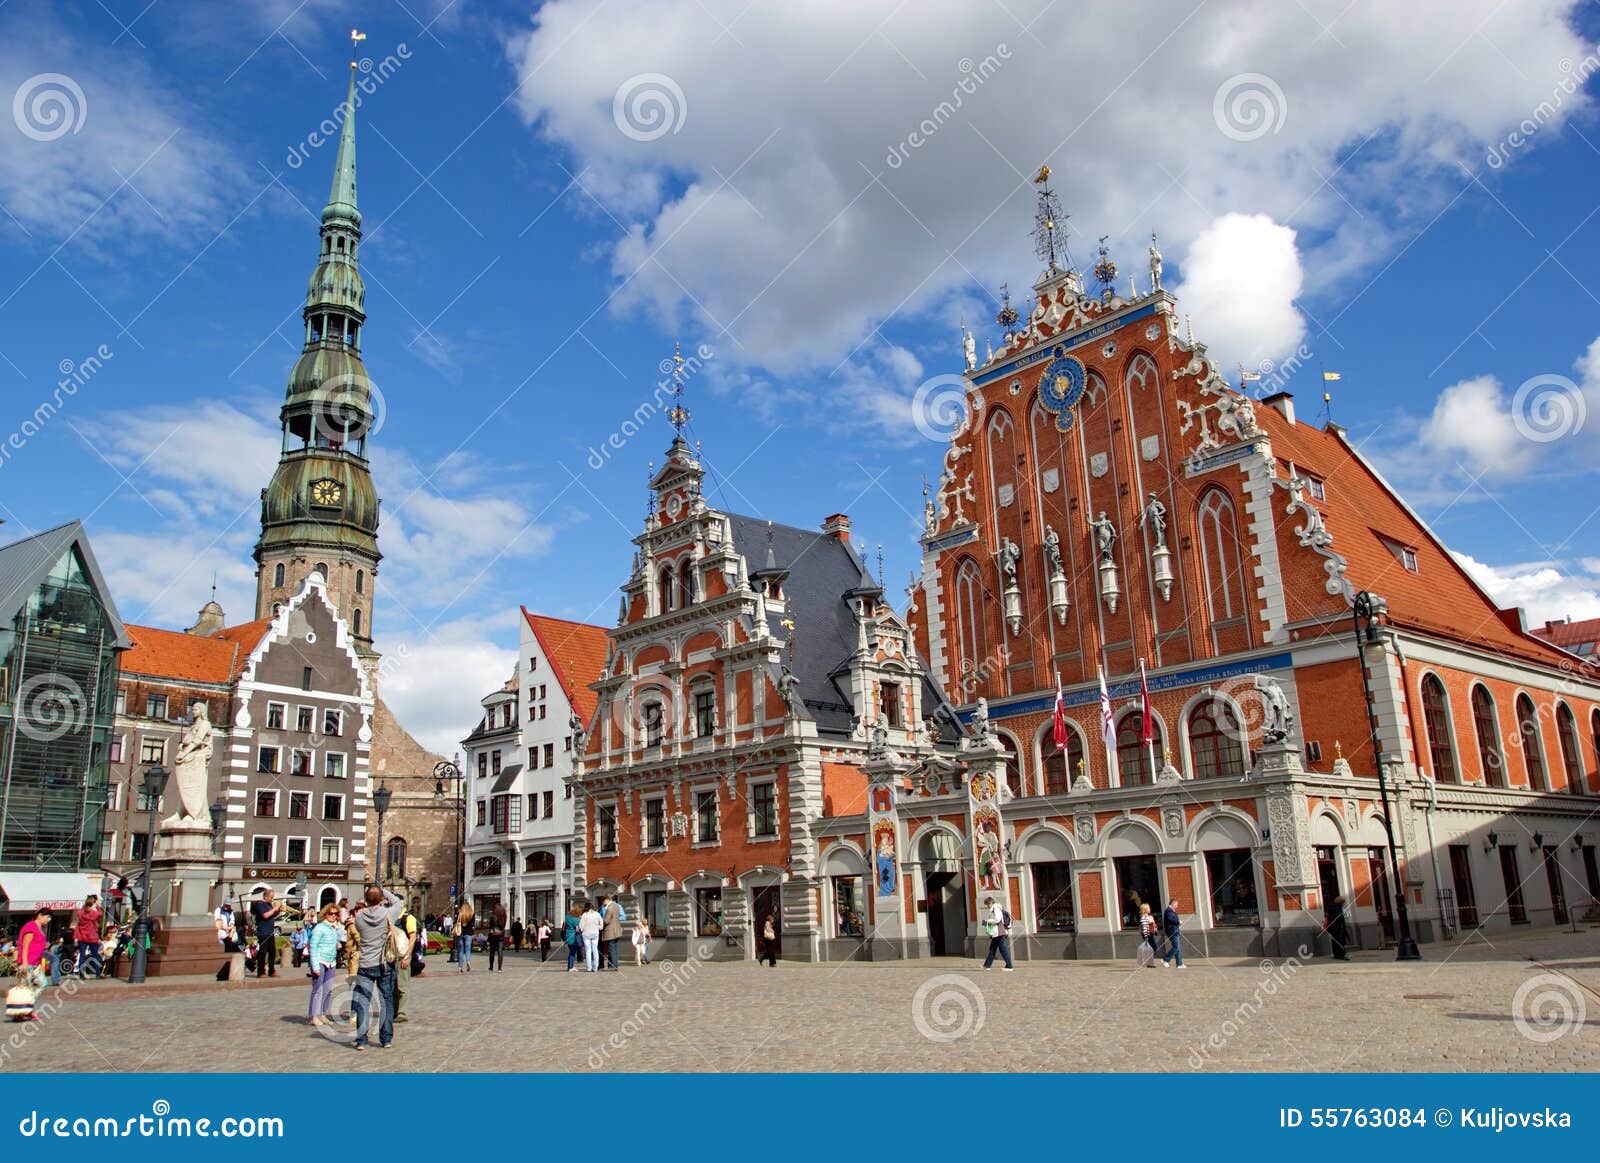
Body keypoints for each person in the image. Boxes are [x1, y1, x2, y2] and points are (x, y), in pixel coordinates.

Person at [351, 885, 403, 1050]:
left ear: (366, 900)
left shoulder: (359, 916)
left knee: (362, 1002)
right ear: (381, 899)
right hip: (384, 963)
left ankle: (361, 1040)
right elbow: (399, 903)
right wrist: (383, 891)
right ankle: (386, 1039)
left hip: (365, 964)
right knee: (386, 1001)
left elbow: (359, 929)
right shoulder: (388, 914)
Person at [307, 904, 345, 1026]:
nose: (333, 916)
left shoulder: (334, 928)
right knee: (317, 989)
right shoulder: (319, 928)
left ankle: (323, 1014)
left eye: (336, 914)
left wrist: (338, 944)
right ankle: (313, 1016)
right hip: (320, 960)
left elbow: (335, 940)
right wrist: (315, 966)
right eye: (331, 913)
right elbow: (313, 947)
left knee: (328, 989)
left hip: (331, 962)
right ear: (325, 914)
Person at [390, 900, 420, 1022]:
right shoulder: (392, 917)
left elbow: (412, 938)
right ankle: (394, 1011)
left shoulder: (408, 918)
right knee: (393, 986)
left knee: (402, 985)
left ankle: (402, 1013)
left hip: (403, 955)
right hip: (392, 955)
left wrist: (407, 957)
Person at [250, 889, 284, 978]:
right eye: (271, 897)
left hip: (270, 932)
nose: (272, 899)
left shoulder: (269, 904)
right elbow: (265, 915)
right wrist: (275, 908)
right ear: (265, 897)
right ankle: (261, 972)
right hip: (263, 932)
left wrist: (278, 910)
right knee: (263, 952)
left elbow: (272, 915)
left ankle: (271, 971)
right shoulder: (260, 904)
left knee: (272, 952)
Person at [16, 910, 50, 988]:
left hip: (36, 963)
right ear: (40, 915)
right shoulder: (31, 926)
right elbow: (25, 945)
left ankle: (32, 996)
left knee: (43, 983)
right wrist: (25, 963)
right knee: (24, 988)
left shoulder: (41, 928)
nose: (49, 920)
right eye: (47, 917)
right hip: (27, 962)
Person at [72, 896, 103, 979]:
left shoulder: (80, 913)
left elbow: (79, 912)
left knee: (82, 955)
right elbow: (100, 914)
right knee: (95, 955)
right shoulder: (94, 913)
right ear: (92, 904)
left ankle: (81, 974)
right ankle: (97, 973)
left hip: (82, 936)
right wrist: (98, 906)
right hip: (92, 937)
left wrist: (84, 906)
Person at [980, 896, 1013, 971]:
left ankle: (1009, 966)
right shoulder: (994, 909)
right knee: (993, 949)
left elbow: (997, 920)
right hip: (996, 933)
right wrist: (987, 922)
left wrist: (987, 921)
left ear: (991, 903)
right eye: (986, 904)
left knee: (1003, 949)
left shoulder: (996, 909)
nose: (987, 906)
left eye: (988, 904)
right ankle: (987, 965)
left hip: (999, 932)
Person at [599, 894, 623, 971]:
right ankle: (613, 965)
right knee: (614, 949)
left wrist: (599, 923)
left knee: (611, 949)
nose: (602, 902)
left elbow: (606, 921)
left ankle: (612, 966)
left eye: (603, 901)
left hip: (610, 931)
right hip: (616, 930)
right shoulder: (616, 906)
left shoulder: (609, 908)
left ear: (607, 899)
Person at [578, 900, 602, 973]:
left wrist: (582, 929)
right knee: (595, 950)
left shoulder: (584, 915)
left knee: (588, 950)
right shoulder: (597, 914)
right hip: (595, 933)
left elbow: (580, 926)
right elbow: (601, 926)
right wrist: (597, 928)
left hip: (586, 934)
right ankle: (595, 967)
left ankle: (589, 968)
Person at [1161, 898, 1185, 969]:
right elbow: (1170, 919)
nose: (1177, 906)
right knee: (1176, 947)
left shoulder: (1171, 911)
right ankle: (1166, 959)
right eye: (1176, 905)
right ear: (1173, 904)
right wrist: (1178, 922)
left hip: (1175, 931)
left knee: (1177, 948)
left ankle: (1179, 964)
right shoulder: (1168, 910)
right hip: (1172, 931)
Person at [1326, 894, 1351, 961]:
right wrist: (1342, 928)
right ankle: (1341, 954)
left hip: (1334, 928)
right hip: (1337, 928)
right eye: (1342, 903)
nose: (1343, 904)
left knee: (1335, 942)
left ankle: (1337, 954)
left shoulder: (1332, 907)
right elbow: (1339, 919)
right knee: (1340, 942)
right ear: (1340, 902)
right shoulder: (1336, 908)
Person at [455, 903, 475, 973]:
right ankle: (468, 961)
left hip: (461, 933)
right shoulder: (472, 914)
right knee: (468, 950)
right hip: (469, 933)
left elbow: (456, 922)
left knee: (461, 951)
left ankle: (459, 967)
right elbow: (473, 925)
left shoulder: (459, 914)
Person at [486, 904, 507, 971]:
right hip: (500, 935)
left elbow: (490, 926)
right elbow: (503, 926)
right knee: (500, 951)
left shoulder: (492, 916)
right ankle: (499, 968)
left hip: (493, 935)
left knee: (492, 951)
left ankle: (491, 967)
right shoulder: (503, 916)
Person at [1138, 902, 1159, 967]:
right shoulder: (1143, 918)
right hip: (1148, 934)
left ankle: (1149, 962)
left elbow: (1154, 925)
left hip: (1151, 934)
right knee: (1154, 948)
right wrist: (1146, 937)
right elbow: (1144, 928)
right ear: (1145, 910)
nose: (1150, 909)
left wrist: (1155, 927)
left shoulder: (1150, 917)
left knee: (1152, 949)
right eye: (1148, 908)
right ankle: (1148, 962)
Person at [562, 907, 582, 972]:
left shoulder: (567, 917)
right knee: (572, 952)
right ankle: (571, 967)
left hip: (568, 935)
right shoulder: (576, 920)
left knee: (571, 951)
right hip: (573, 937)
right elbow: (577, 929)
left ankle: (570, 966)